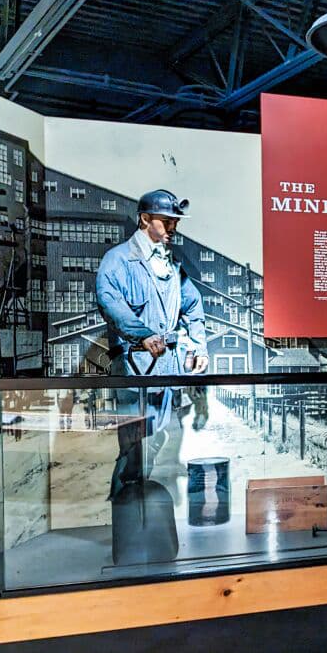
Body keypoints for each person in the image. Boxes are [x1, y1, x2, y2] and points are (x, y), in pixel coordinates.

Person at [96, 189, 208, 500]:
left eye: (175, 222)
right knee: (133, 447)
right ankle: (125, 507)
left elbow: (192, 304)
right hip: (135, 368)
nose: (173, 228)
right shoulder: (118, 260)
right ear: (145, 219)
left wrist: (199, 345)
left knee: (163, 439)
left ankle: (155, 508)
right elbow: (110, 301)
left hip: (167, 368)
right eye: (166, 221)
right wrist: (142, 334)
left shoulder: (171, 265)